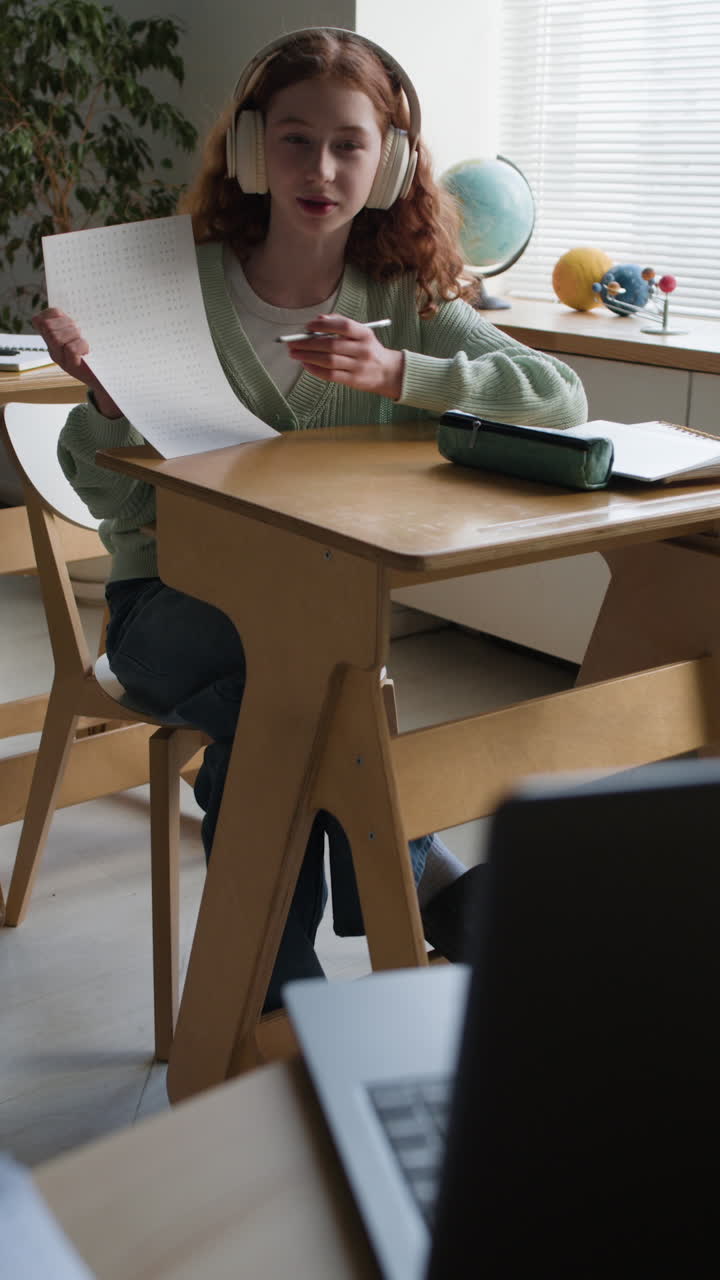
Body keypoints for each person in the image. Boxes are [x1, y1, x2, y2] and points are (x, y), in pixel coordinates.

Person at [33, 27, 587, 1009]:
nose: (320, 167)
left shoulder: (402, 295)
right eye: (293, 140)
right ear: (250, 152)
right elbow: (105, 493)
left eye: (348, 143)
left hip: (316, 619)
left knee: (286, 710)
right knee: (311, 685)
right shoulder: (178, 283)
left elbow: (559, 397)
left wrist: (404, 373)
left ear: (393, 161)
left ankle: (269, 997)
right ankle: (426, 885)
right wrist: (111, 406)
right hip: (168, 599)